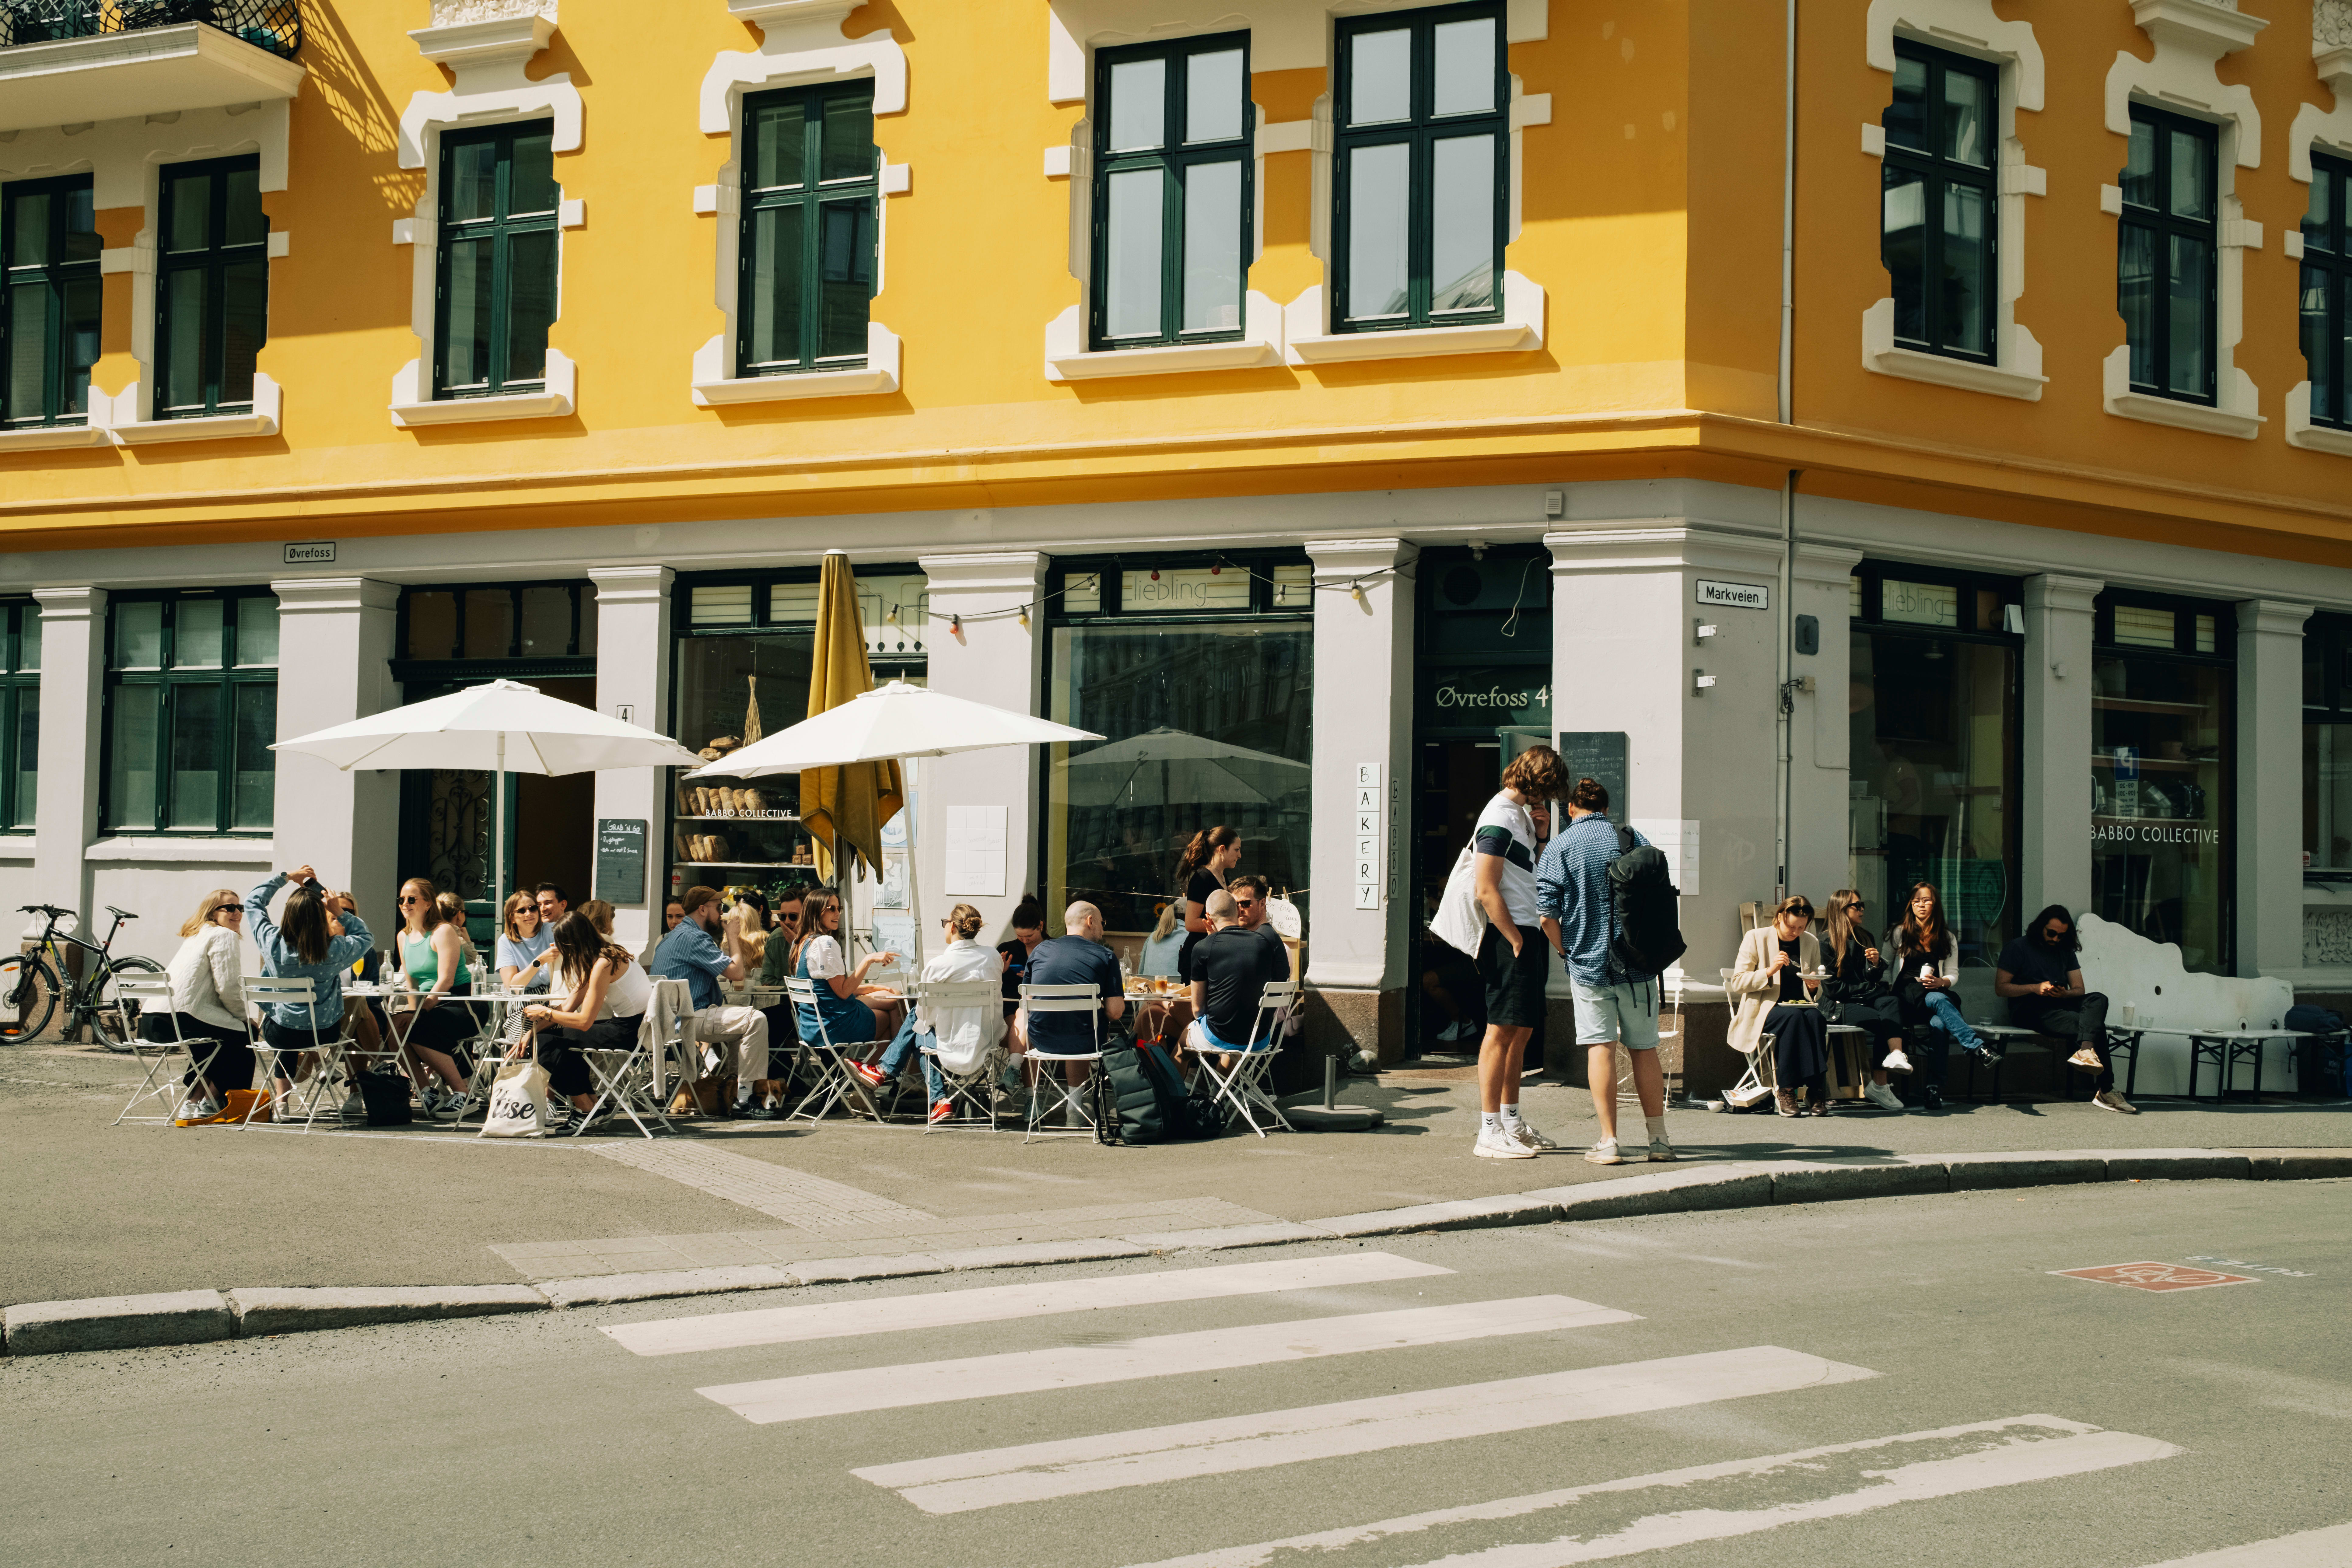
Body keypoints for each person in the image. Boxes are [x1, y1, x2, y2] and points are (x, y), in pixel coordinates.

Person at [1536, 775, 1673, 1164]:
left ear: (1571, 809)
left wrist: (1565, 951)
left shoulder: (1560, 846)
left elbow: (1546, 914)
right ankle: (1660, 1141)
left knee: (1601, 1049)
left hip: (1588, 964)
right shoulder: (1631, 838)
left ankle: (1609, 1141)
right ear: (1606, 808)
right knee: (1645, 1050)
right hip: (1637, 964)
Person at [1465, 744, 1569, 1160]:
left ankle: (1510, 1122)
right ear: (1538, 782)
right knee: (1501, 1029)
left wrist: (1541, 838)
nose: (1548, 798)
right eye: (1549, 788)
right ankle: (1489, 1131)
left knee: (1521, 1029)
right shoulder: (1499, 816)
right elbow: (1486, 888)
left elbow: (1527, 876)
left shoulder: (1520, 816)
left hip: (1524, 931)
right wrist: (1514, 938)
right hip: (1509, 934)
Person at [863, 904, 1007, 1125]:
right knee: (919, 1029)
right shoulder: (993, 957)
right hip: (986, 1040)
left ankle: (888, 1074)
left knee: (918, 1026)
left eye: (945, 923)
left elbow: (925, 1016)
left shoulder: (938, 965)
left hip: (947, 1043)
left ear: (952, 927)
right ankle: (934, 1100)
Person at [246, 866, 374, 1112]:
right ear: (320, 918)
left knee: (284, 1023)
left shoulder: (272, 943)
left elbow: (253, 903)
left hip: (283, 1033)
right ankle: (320, 1065)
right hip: (325, 1032)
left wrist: (285, 878)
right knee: (296, 1024)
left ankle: (282, 1103)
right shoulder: (335, 950)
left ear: (288, 915)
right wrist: (340, 912)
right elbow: (366, 938)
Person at [520, 911, 653, 1132]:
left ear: (572, 943)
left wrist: (545, 1013)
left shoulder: (603, 964)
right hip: (634, 1026)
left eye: (562, 945)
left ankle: (586, 1109)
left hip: (631, 1032)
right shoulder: (609, 955)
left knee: (547, 1043)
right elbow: (568, 1006)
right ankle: (593, 1106)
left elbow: (584, 1022)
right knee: (553, 1041)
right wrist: (530, 1033)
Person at [653, 884, 777, 1118]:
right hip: (687, 1019)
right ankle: (746, 1098)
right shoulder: (696, 938)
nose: (722, 913)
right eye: (718, 907)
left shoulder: (670, 938)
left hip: (669, 1020)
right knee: (757, 1019)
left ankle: (734, 1091)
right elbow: (737, 973)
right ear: (702, 910)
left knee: (742, 1024)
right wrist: (733, 936)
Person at [1998, 905, 2137, 1115]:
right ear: (2040, 927)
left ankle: (2085, 1051)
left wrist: (2064, 994)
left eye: (2061, 935)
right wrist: (2035, 988)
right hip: (2028, 1008)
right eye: (2051, 933)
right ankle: (2106, 1089)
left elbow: (2080, 989)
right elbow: (2001, 988)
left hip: (2059, 1003)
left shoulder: (2065, 950)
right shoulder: (2017, 948)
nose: (2055, 939)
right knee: (2094, 1026)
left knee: (2098, 999)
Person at [148, 887, 260, 1117]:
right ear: (212, 913)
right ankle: (213, 1101)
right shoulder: (224, 935)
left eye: (240, 908)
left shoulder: (197, 935)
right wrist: (243, 1017)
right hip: (182, 1018)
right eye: (229, 908)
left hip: (154, 1021)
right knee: (246, 1033)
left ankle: (193, 1102)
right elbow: (228, 987)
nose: (237, 913)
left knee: (214, 1044)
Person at [1016, 901, 1126, 1118]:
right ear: (1090, 921)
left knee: (1075, 1023)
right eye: (1102, 923)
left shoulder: (1040, 951)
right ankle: (1074, 1110)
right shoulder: (1105, 956)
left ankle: (1067, 1108)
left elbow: (1027, 1001)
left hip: (1041, 1040)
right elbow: (1116, 1013)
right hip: (1087, 1041)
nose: (1103, 930)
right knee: (1083, 1027)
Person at [1729, 895, 1832, 1117]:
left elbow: (1816, 990)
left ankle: (1815, 1091)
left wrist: (1814, 987)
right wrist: (1769, 971)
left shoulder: (1811, 942)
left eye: (1801, 928)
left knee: (1816, 1018)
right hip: (1764, 1008)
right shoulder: (1756, 937)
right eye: (1791, 927)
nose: (1796, 932)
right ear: (1780, 918)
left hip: (1800, 1006)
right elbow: (1738, 982)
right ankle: (1786, 1090)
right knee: (1793, 1018)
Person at [1892, 880, 1990, 1110]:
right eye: (1916, 901)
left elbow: (1953, 974)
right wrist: (1888, 996)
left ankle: (1933, 1089)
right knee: (1938, 999)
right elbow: (1887, 968)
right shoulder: (1900, 932)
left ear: (1935, 904)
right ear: (1911, 905)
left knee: (1940, 1024)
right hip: (1907, 998)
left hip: (1936, 994)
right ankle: (1976, 1046)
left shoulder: (1947, 937)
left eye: (1927, 900)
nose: (1921, 905)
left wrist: (1941, 981)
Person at [389, 878, 478, 1115]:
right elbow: (411, 983)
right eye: (401, 900)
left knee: (418, 1028)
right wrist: (412, 1012)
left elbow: (446, 981)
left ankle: (464, 1094)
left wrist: (419, 1013)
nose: (405, 904)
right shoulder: (403, 937)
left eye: (412, 899)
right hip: (430, 1006)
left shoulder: (443, 931)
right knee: (394, 1029)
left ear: (428, 903)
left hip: (461, 1003)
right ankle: (427, 1092)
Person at [793, 887, 905, 1073]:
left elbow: (833, 989)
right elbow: (844, 992)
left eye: (839, 908)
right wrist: (868, 960)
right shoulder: (825, 943)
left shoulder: (800, 943)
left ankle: (876, 1076)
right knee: (890, 1016)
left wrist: (874, 987)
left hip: (810, 1026)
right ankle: (885, 1075)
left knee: (892, 1000)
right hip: (835, 1024)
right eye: (831, 909)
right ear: (816, 911)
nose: (838, 913)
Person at [1819, 889, 1908, 1113]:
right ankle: (1880, 1085)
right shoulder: (1826, 941)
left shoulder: (1865, 936)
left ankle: (1896, 1055)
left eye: (1862, 906)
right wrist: (1869, 989)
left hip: (1864, 999)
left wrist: (1876, 965)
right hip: (1838, 1006)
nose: (1862, 910)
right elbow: (1832, 988)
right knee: (1886, 1023)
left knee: (1892, 1004)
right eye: (1856, 906)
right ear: (1841, 909)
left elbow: (1872, 978)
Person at [1185, 889, 1284, 1058]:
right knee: (1229, 1046)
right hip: (1261, 1038)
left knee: (1182, 1047)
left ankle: (1179, 1077)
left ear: (1208, 918)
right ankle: (1217, 1077)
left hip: (1221, 1036)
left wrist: (1212, 939)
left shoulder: (1203, 947)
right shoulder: (1263, 943)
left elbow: (1198, 1009)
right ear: (1238, 912)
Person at [1173, 826, 1241, 983]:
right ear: (1222, 849)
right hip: (1199, 958)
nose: (1240, 855)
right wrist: (1226, 926)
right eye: (1237, 850)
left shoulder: (1223, 877)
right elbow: (1191, 923)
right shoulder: (1202, 878)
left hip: (1213, 954)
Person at [495, 890, 555, 1048]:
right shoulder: (506, 941)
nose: (529, 914)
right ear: (512, 918)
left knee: (555, 1036)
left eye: (533, 908)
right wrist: (539, 961)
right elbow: (513, 987)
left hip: (555, 997)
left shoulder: (553, 930)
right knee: (527, 1038)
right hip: (524, 1001)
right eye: (522, 911)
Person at [1227, 873, 1292, 979]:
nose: (1239, 909)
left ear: (1262, 904)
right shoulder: (1267, 936)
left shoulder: (1260, 940)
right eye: (1235, 904)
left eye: (1245, 903)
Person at [996, 894, 1047, 1021]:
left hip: (1045, 1008)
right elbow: (992, 984)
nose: (1025, 940)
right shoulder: (1006, 949)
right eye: (1020, 936)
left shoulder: (1053, 948)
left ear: (1041, 926)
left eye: (1029, 936)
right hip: (1011, 1007)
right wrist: (999, 971)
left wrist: (1035, 977)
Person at [639, 898, 688, 969]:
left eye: (680, 916)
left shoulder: (695, 939)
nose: (674, 921)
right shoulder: (662, 939)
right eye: (670, 917)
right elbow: (656, 967)